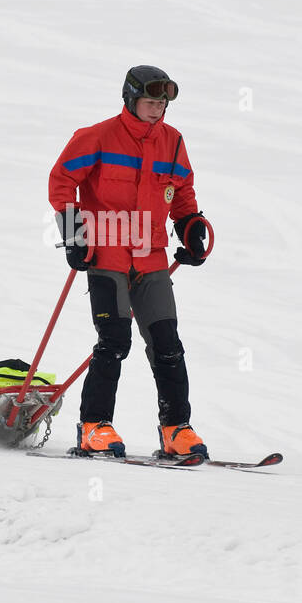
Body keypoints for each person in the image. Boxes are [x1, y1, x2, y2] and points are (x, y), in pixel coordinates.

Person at [48, 65, 212, 458]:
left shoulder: (173, 142)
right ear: (130, 99)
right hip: (107, 255)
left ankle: (176, 429)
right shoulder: (96, 137)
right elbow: (61, 181)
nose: (156, 110)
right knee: (114, 342)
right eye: (150, 102)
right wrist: (74, 233)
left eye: (162, 104)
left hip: (151, 258)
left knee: (168, 344)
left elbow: (181, 191)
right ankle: (94, 426)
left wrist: (189, 226)